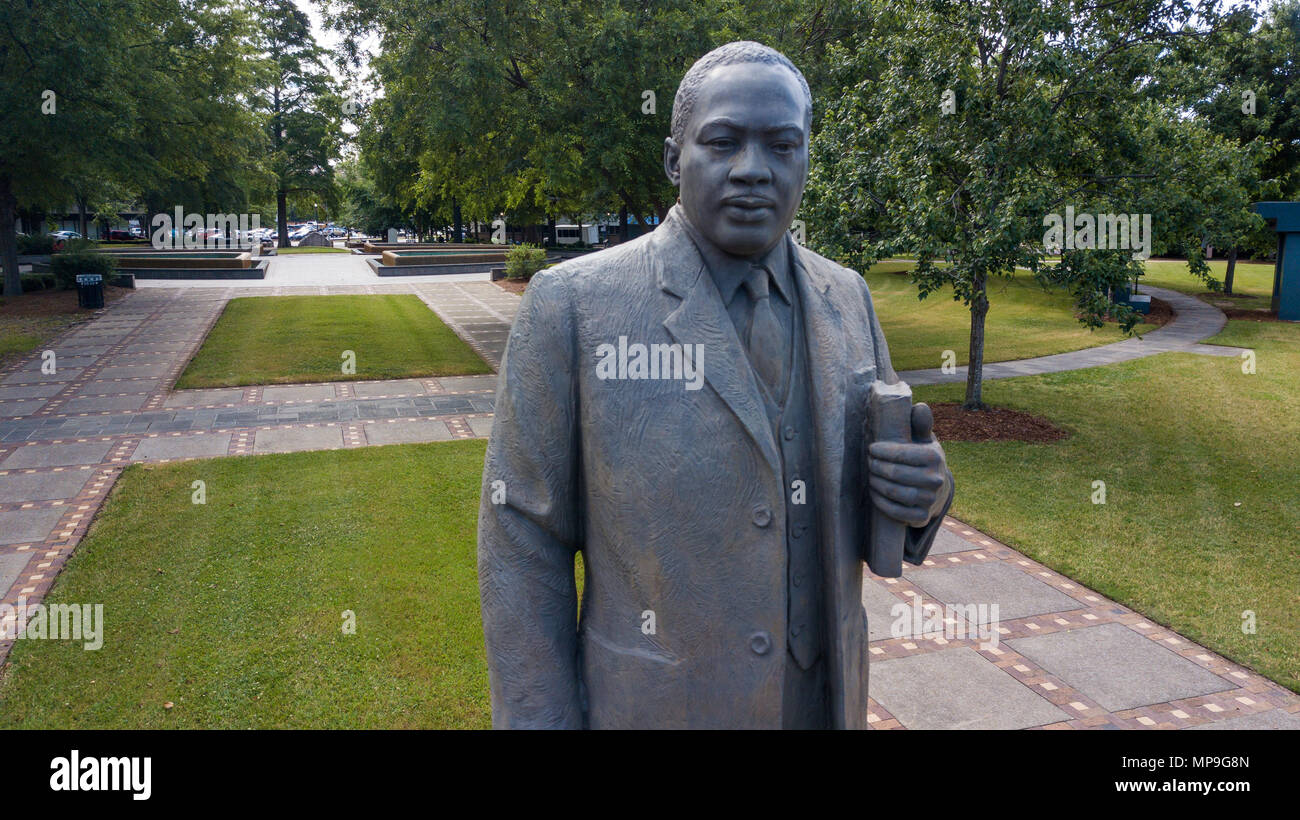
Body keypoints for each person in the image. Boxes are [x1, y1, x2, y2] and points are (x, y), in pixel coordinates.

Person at [477, 41, 953, 729]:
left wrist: (924, 496)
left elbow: (880, 490)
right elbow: (521, 545)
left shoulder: (847, 298)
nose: (753, 170)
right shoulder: (574, 306)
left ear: (806, 158)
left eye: (782, 145)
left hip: (823, 705)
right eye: (723, 142)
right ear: (675, 159)